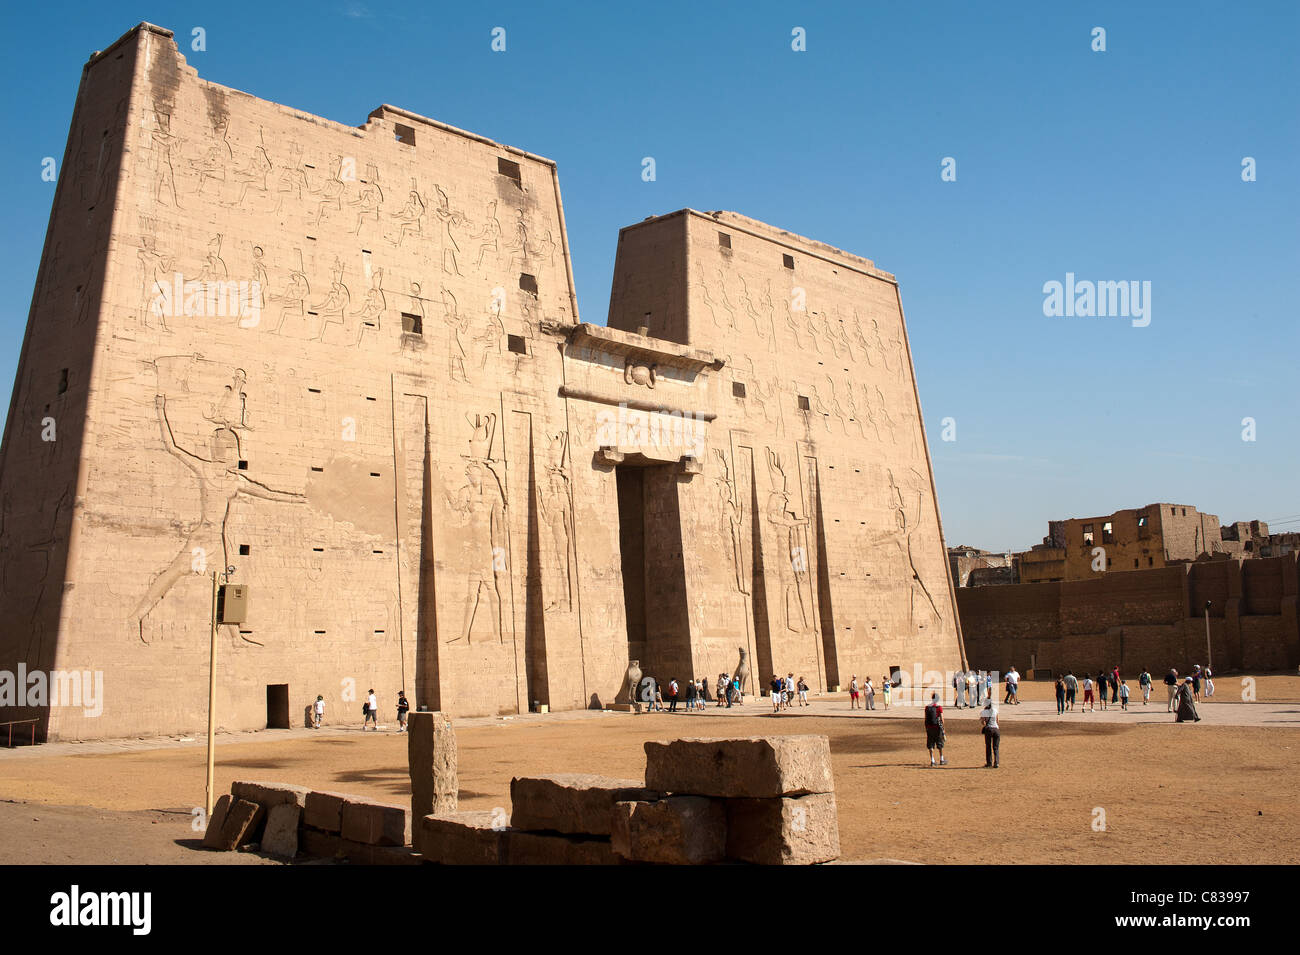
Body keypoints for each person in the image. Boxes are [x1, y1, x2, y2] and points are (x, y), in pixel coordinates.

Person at [923, 692, 946, 766]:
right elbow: (942, 719)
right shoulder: (938, 707)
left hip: (929, 727)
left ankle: (932, 760)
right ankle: (941, 759)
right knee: (940, 744)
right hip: (937, 727)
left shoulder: (927, 707)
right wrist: (943, 728)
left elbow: (926, 718)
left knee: (930, 744)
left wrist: (926, 727)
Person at [980, 697, 1000, 768]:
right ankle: (996, 762)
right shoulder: (995, 710)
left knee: (988, 746)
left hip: (989, 729)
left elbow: (983, 722)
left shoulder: (983, 712)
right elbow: (997, 721)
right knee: (996, 747)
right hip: (996, 729)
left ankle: (989, 762)